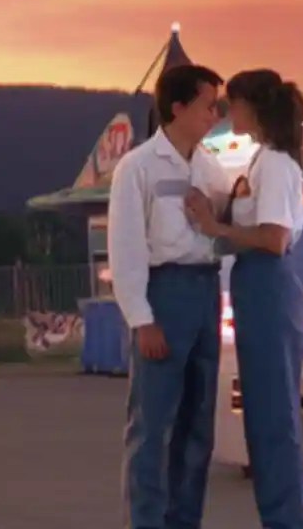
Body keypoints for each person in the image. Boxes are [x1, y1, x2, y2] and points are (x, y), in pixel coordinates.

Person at [186, 69, 303, 529]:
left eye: (233, 104)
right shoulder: (262, 159)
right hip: (256, 288)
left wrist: (215, 226)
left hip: (268, 286)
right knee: (263, 417)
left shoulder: (275, 164)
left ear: (252, 107)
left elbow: (274, 238)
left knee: (273, 420)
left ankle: (287, 521)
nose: (227, 112)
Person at [108, 63, 232, 529]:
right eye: (207, 105)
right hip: (164, 290)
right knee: (152, 425)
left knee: (197, 425)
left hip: (205, 288)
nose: (214, 115)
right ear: (177, 107)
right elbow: (126, 247)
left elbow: (225, 228)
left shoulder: (211, 167)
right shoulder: (137, 167)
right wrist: (141, 318)